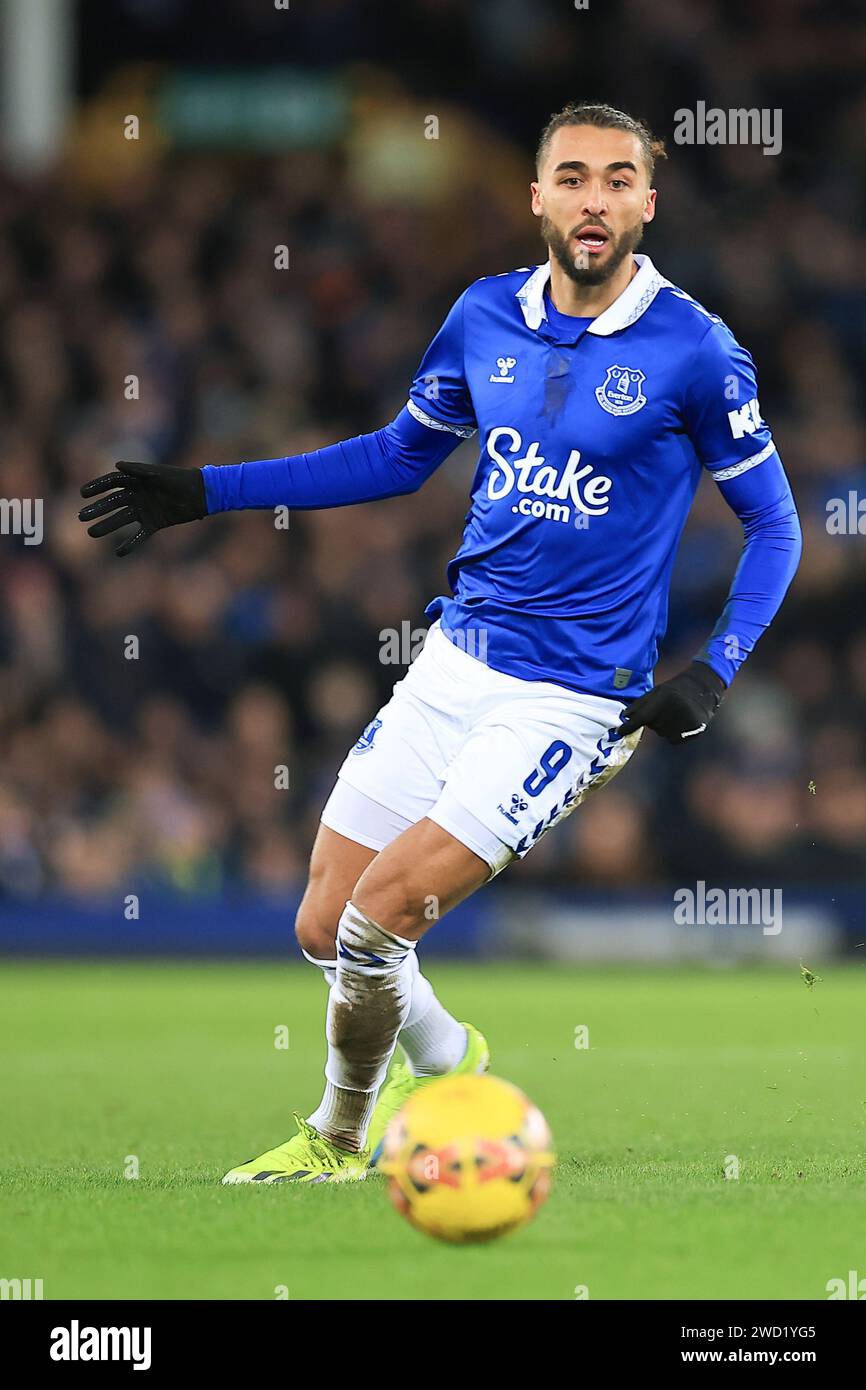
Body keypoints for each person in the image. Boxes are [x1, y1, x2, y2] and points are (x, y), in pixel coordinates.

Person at [79, 103, 802, 1183]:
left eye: (615, 180)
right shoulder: (482, 315)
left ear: (646, 202)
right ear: (537, 196)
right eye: (570, 177)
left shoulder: (695, 351)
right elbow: (396, 457)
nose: (591, 200)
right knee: (321, 925)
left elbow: (775, 526)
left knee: (377, 924)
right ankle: (447, 1054)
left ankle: (334, 1138)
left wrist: (711, 669)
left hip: (569, 697)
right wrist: (206, 490)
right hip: (454, 659)